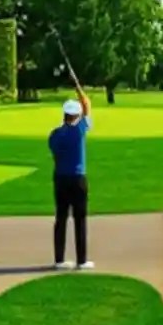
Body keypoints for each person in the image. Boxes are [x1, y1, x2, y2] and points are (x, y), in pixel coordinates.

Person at [48, 78, 93, 270]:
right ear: (76, 115)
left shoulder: (54, 134)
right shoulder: (80, 131)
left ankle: (59, 260)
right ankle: (81, 260)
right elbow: (88, 105)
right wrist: (78, 87)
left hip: (60, 179)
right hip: (78, 179)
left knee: (61, 218)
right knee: (80, 219)